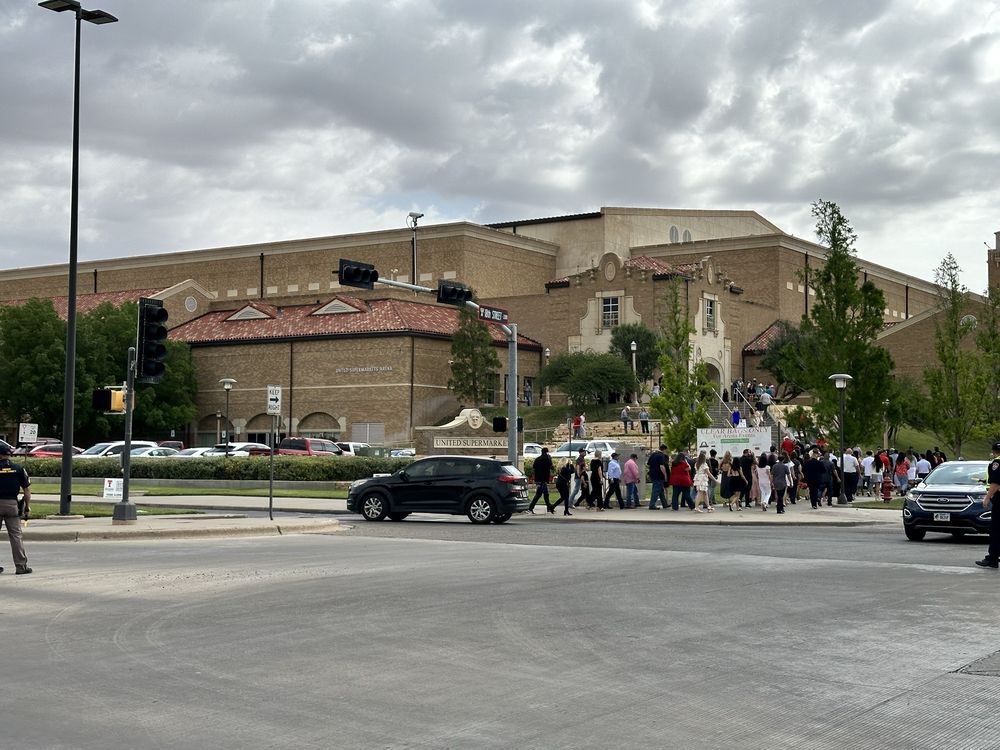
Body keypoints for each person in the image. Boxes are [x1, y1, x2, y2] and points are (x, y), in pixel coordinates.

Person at [0, 442, 32, 575]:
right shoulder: (18, 469)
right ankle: (21, 566)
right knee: (16, 536)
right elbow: (27, 491)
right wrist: (27, 507)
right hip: (11, 505)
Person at [976, 442, 1000, 569]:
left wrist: (987, 498)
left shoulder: (997, 463)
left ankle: (992, 559)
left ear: (994, 451)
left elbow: (996, 483)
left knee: (996, 530)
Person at [527, 446, 554, 514]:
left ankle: (549, 508)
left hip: (538, 479)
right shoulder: (547, 459)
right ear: (547, 452)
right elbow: (552, 467)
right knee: (539, 494)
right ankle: (530, 508)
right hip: (544, 479)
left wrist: (534, 478)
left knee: (545, 494)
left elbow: (533, 469)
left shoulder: (537, 459)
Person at [647, 444, 669, 510]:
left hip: (652, 474)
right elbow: (661, 466)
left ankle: (664, 504)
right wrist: (665, 475)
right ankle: (652, 505)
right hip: (659, 475)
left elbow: (648, 464)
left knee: (660, 490)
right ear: (664, 449)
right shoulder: (661, 455)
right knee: (656, 490)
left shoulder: (653, 454)